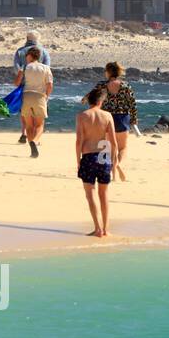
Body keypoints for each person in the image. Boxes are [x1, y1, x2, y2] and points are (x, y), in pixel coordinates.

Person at [76, 86, 118, 237]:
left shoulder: (82, 116)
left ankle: (97, 228)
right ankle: (106, 229)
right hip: (104, 156)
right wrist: (114, 162)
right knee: (104, 194)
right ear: (101, 101)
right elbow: (113, 142)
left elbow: (79, 141)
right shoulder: (107, 116)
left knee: (90, 194)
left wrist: (78, 160)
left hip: (88, 156)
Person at [93, 62, 138, 181]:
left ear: (108, 72)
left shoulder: (101, 85)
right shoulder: (125, 86)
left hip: (106, 118)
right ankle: (118, 165)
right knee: (122, 147)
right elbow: (132, 104)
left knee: (108, 148)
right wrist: (134, 119)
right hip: (122, 118)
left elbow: (93, 98)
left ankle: (111, 173)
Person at [12, 45, 53, 158]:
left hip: (26, 96)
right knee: (40, 124)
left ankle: (32, 150)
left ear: (30, 56)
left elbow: (16, 83)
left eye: (26, 55)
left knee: (29, 125)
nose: (26, 57)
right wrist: (46, 97)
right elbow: (49, 85)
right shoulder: (46, 68)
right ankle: (35, 141)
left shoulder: (25, 67)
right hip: (40, 96)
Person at [13, 31, 48, 144]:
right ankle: (35, 139)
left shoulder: (19, 51)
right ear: (38, 39)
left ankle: (24, 133)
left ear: (27, 38)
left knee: (24, 112)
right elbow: (47, 68)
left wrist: (22, 77)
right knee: (38, 115)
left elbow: (17, 68)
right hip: (39, 87)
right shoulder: (44, 51)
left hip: (23, 86)